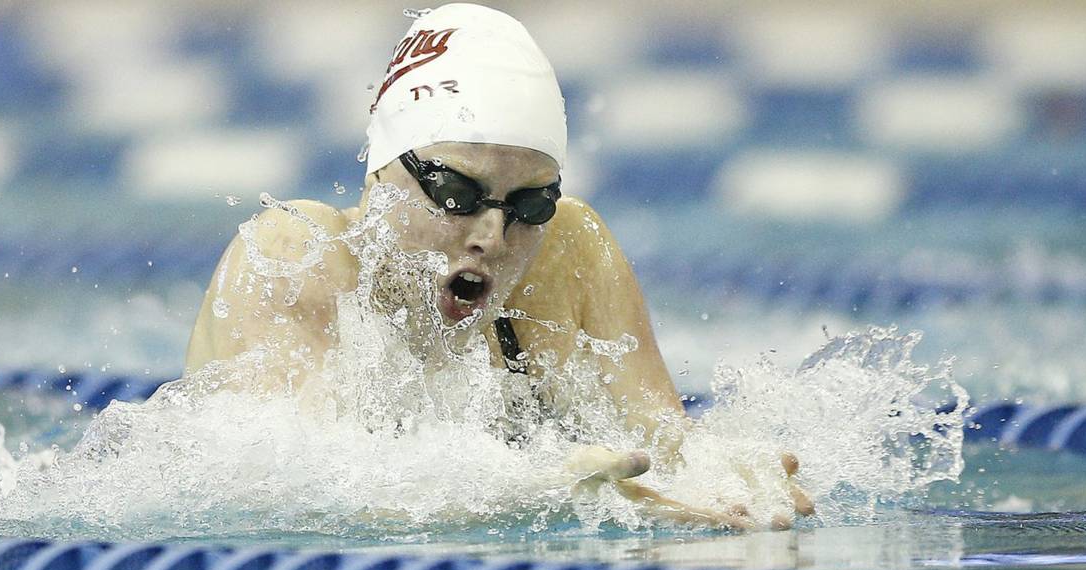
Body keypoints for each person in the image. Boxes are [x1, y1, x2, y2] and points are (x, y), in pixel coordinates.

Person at [184, 4, 811, 529]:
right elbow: (303, 498)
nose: (492, 235)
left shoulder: (570, 249)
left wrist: (721, 469)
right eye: (456, 193)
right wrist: (529, 495)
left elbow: (658, 437)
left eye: (530, 203)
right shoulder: (298, 251)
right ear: (381, 169)